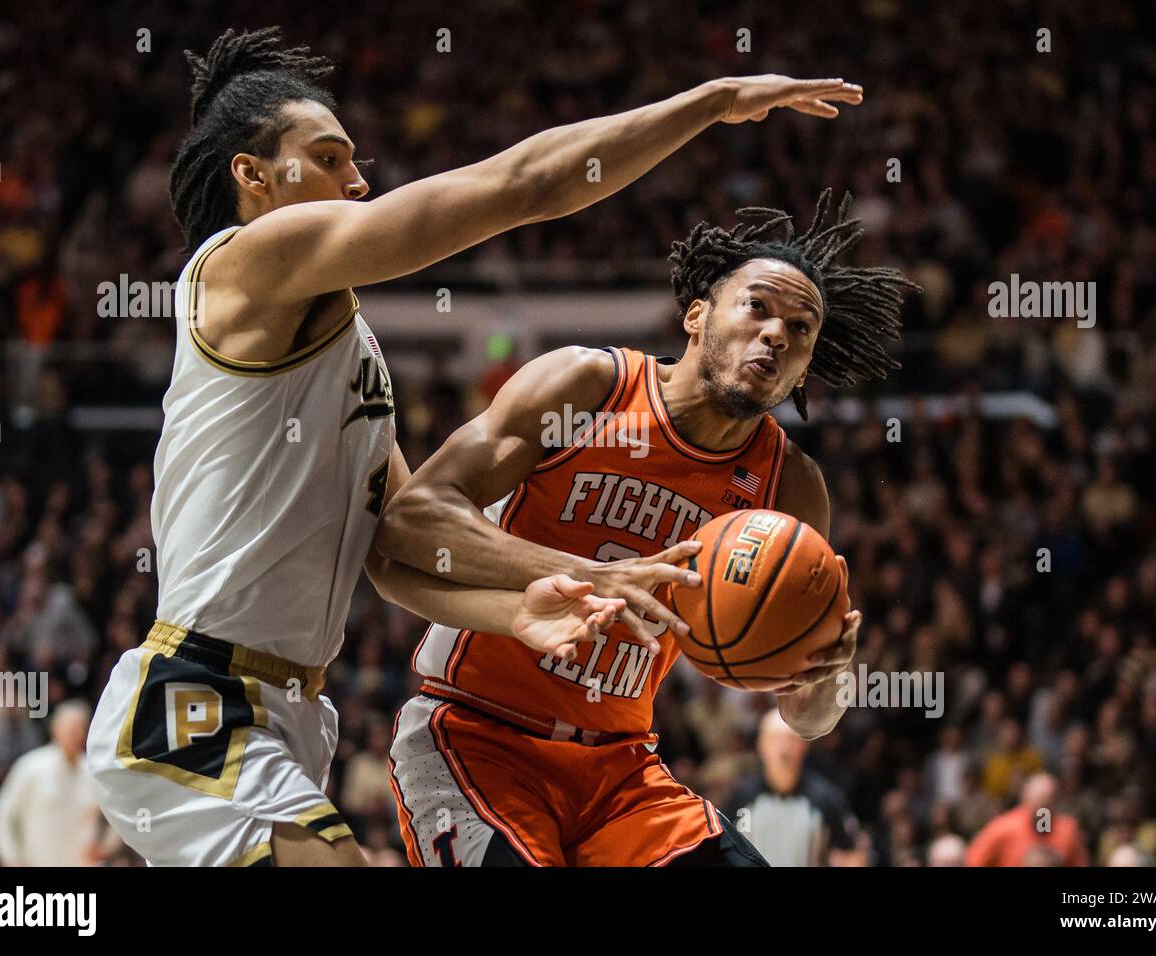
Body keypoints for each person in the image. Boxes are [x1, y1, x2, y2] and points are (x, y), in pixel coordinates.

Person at [85, 25, 866, 867]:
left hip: (292, 710)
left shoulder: (356, 363)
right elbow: (520, 185)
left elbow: (397, 554)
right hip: (195, 693)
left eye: (355, 162)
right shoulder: (238, 267)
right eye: (328, 158)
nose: (357, 180)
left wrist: (516, 611)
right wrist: (710, 104)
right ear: (251, 175)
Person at [378, 193, 918, 865]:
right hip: (477, 737)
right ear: (697, 316)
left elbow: (805, 717)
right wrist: (592, 576)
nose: (778, 333)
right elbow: (410, 520)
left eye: (800, 329)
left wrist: (830, 676)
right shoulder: (588, 386)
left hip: (622, 772)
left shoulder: (790, 486)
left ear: (805, 365)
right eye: (757, 307)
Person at [726, 709, 860, 866]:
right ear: (760, 745)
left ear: (804, 745)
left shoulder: (825, 797)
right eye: (775, 739)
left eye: (790, 739)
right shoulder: (741, 795)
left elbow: (853, 855)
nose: (783, 749)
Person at [0, 702, 108, 866]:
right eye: (68, 728)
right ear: (55, 729)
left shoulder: (94, 772)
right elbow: (3, 813)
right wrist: (9, 857)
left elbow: (116, 813)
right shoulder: (31, 767)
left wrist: (106, 846)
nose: (73, 734)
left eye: (77, 729)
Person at [965, 772, 1089, 866]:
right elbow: (973, 861)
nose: (1043, 809)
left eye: (1048, 802)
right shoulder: (1003, 827)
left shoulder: (1068, 829)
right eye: (1039, 802)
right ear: (1025, 800)